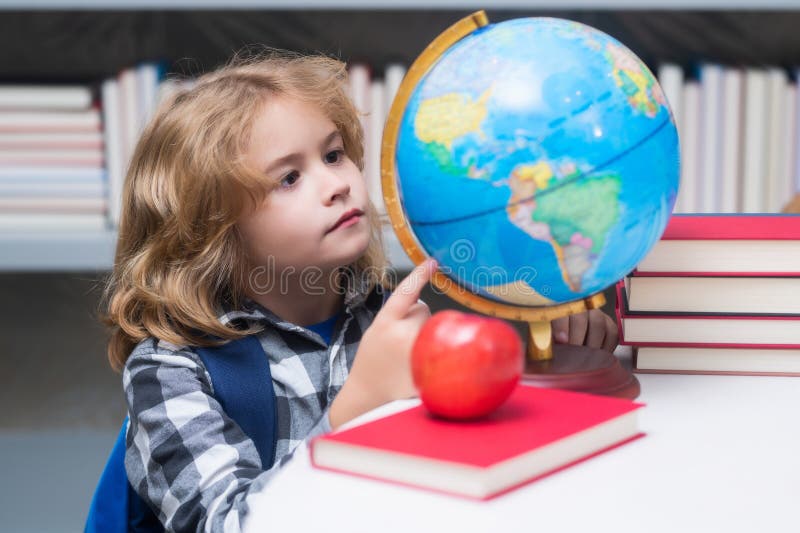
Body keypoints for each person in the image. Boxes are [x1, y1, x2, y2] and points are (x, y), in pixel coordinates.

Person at [101, 49, 618, 532]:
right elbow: (228, 523)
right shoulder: (169, 372)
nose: (336, 183)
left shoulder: (382, 319)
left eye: (333, 154)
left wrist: (548, 362)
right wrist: (356, 406)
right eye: (288, 178)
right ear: (211, 230)